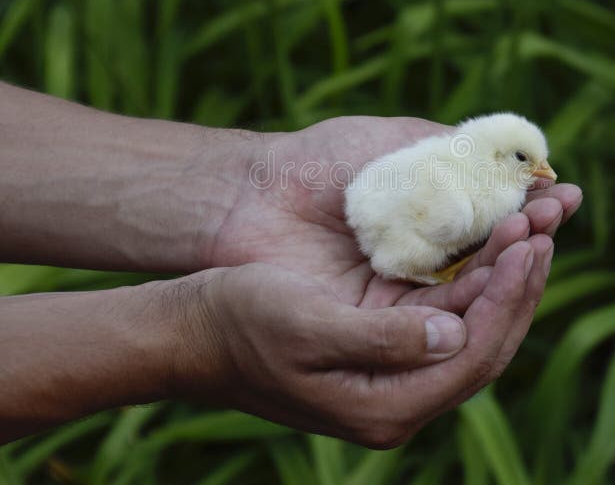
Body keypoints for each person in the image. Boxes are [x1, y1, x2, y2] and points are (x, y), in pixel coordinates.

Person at [0, 81, 582, 447]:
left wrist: (246, 177)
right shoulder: (464, 195)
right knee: (449, 223)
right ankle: (419, 270)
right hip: (401, 228)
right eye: (528, 161)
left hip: (377, 211)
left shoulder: (456, 170)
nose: (539, 171)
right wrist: (193, 335)